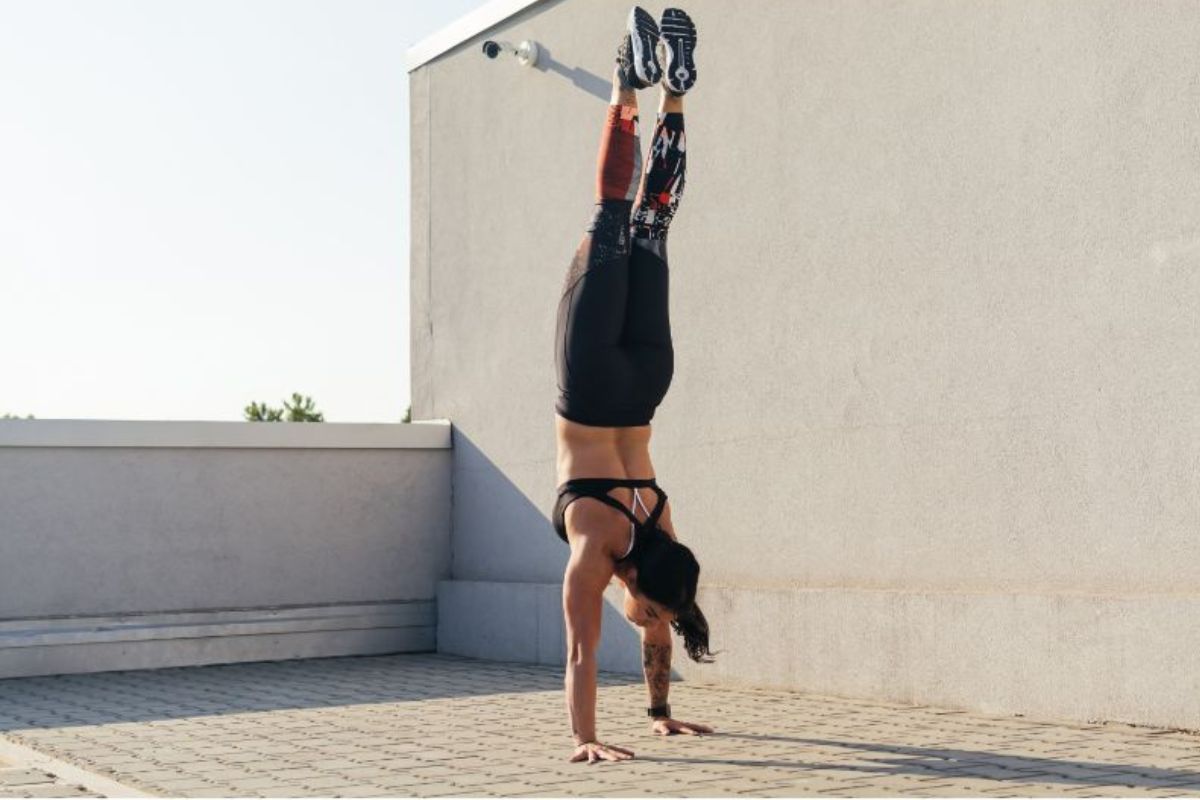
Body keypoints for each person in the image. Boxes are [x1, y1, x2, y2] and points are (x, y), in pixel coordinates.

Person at [551, 5, 716, 765]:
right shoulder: (599, 543)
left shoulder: (661, 529)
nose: (645, 621)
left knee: (652, 221)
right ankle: (625, 79)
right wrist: (588, 740)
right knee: (611, 215)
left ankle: (674, 94)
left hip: (650, 381)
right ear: (644, 585)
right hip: (592, 381)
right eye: (649, 610)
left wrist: (660, 712)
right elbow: (581, 652)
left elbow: (653, 623)